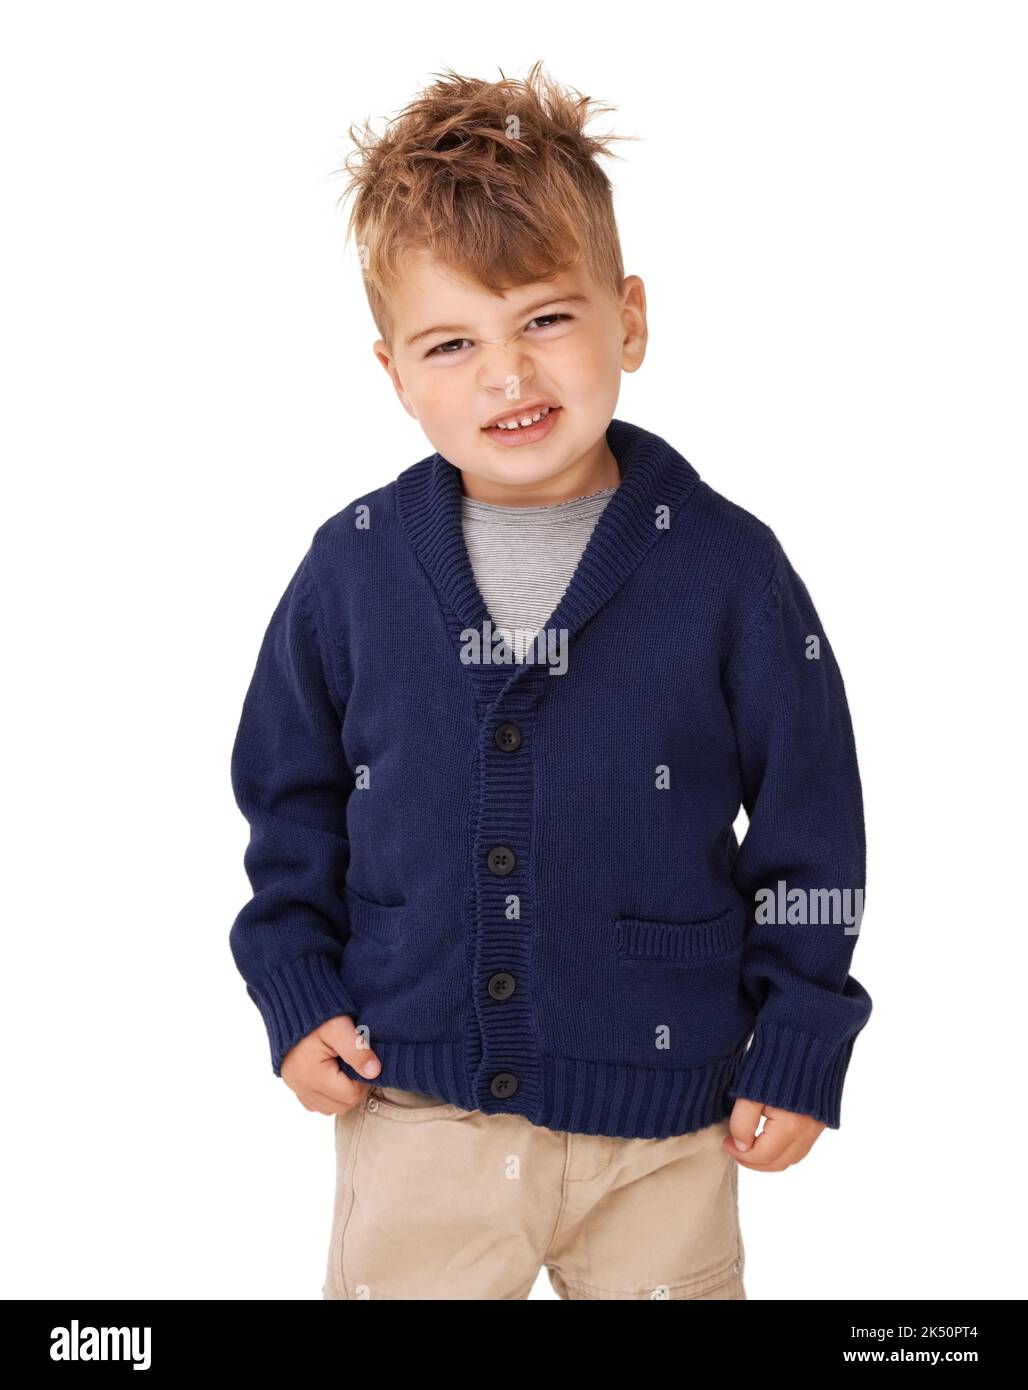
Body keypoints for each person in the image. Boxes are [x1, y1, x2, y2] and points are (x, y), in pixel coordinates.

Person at [229, 61, 871, 1301]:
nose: (506, 375)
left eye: (545, 318)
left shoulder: (729, 570)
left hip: (666, 1124)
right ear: (394, 374)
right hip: (412, 1105)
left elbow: (810, 822)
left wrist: (798, 1037)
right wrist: (294, 987)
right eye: (452, 342)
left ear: (628, 316)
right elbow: (287, 797)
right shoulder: (352, 569)